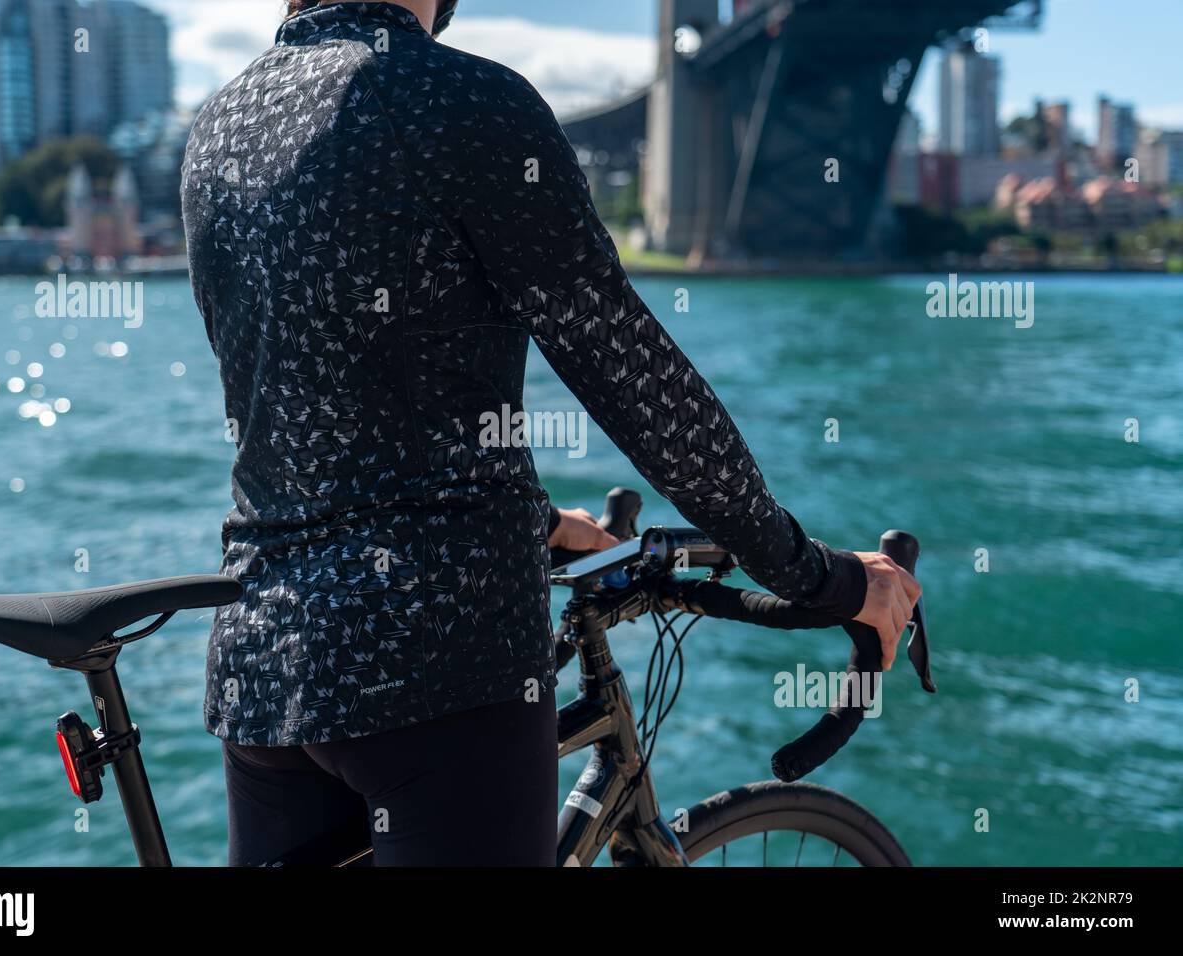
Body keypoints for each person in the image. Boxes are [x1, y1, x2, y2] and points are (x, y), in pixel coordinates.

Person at [180, 0, 920, 867]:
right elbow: (631, 372)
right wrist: (818, 575)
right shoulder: (464, 100)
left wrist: (539, 522)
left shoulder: (219, 127)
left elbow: (328, 418)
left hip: (263, 671)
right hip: (438, 673)